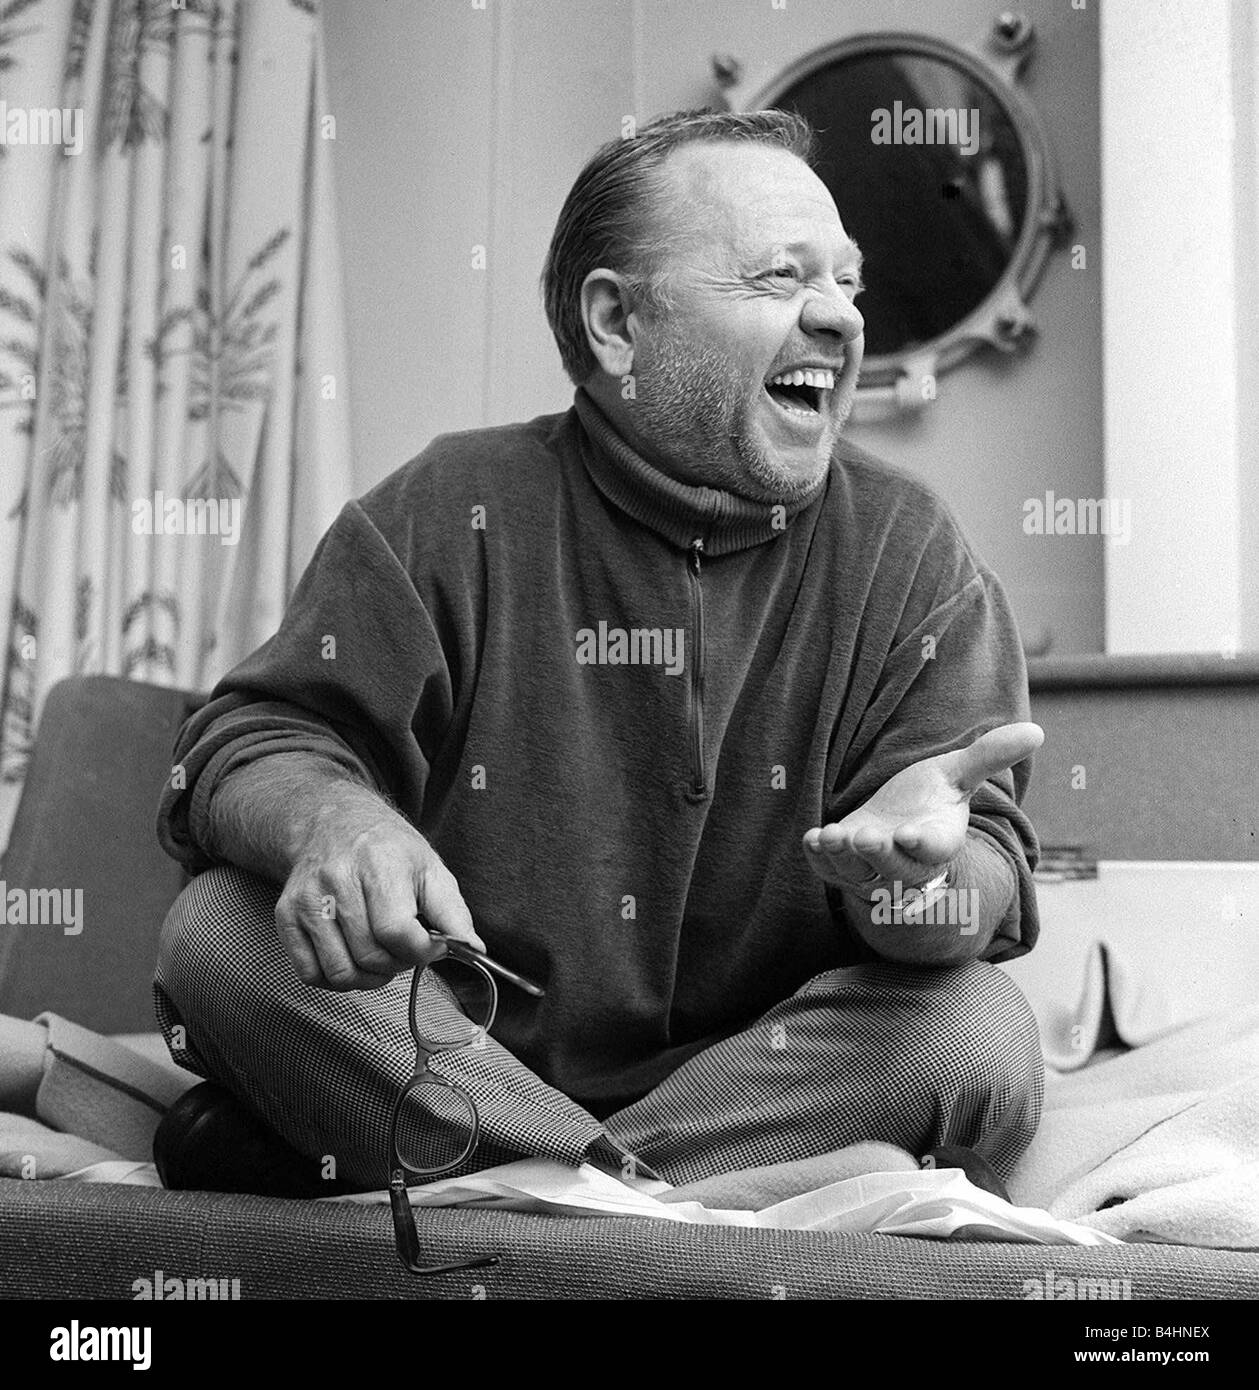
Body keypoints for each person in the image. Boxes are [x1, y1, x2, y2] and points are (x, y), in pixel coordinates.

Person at [153, 108, 1045, 1205]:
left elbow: (978, 879)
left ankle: (511, 1184)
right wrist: (335, 820)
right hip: (456, 1046)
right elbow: (248, 743)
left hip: (755, 1084)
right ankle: (662, 1200)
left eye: (847, 284)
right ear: (617, 323)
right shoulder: (445, 507)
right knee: (216, 930)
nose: (837, 318)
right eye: (778, 278)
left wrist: (920, 885)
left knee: (976, 1030)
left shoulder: (912, 551)